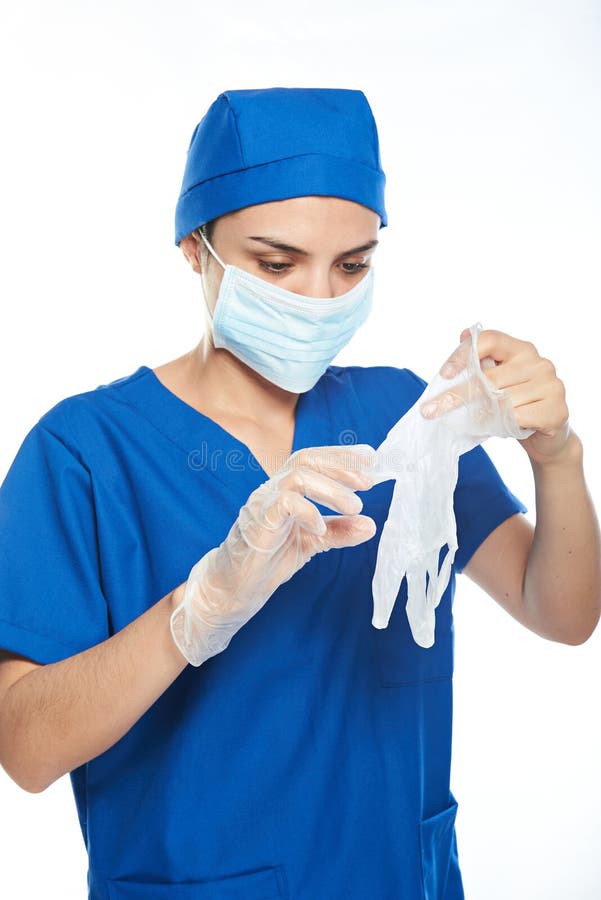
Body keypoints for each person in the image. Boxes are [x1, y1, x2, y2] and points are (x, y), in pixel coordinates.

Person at [0, 87, 598, 900]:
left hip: (396, 877)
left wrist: (555, 455)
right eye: (276, 264)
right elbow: (26, 751)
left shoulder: (402, 419)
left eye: (351, 265)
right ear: (194, 247)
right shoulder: (86, 451)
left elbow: (562, 614)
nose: (319, 299)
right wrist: (197, 608)